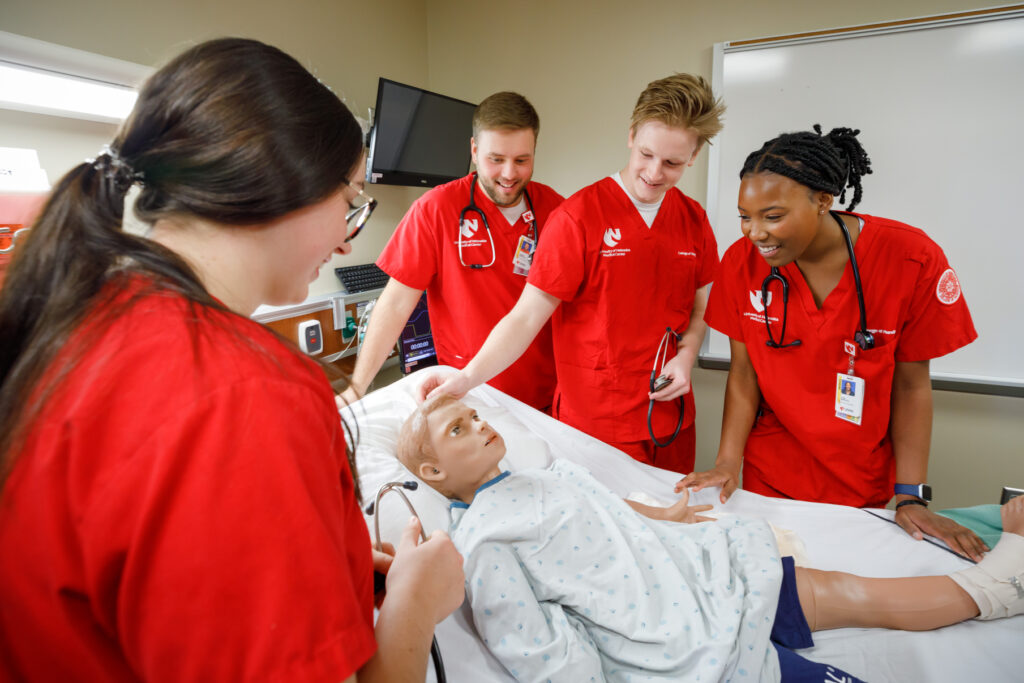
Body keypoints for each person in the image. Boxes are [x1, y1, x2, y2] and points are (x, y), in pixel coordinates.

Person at [0, 38, 464, 682]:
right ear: (286, 184)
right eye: (350, 200)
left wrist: (329, 568)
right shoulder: (245, 401)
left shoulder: (77, 321)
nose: (345, 234)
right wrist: (414, 610)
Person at [398, 394, 1024, 682]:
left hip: (710, 571)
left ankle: (998, 587)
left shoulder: (539, 474)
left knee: (856, 594)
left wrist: (660, 520)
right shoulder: (485, 546)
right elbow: (542, 655)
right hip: (678, 641)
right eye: (459, 429)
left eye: (475, 414)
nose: (480, 424)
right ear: (431, 474)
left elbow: (604, 511)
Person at [679, 125, 987, 560]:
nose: (755, 233)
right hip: (773, 473)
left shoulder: (910, 258)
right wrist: (728, 463)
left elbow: (912, 385)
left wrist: (911, 496)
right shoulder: (740, 264)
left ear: (823, 201)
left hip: (861, 477)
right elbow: (744, 375)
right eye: (745, 216)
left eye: (773, 216)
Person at [421, 74, 725, 474]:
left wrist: (687, 356)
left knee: (672, 523)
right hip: (598, 421)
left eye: (672, 163)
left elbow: (701, 308)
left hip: (670, 416)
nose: (654, 173)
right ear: (631, 136)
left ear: (694, 156)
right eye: (647, 155)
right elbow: (527, 315)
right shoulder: (577, 218)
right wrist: (467, 379)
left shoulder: (693, 219)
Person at [342, 92, 564, 412]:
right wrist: (355, 388)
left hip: (546, 393)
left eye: (521, 160)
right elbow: (395, 303)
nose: (509, 174)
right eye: (496, 159)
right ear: (474, 150)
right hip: (470, 394)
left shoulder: (557, 210)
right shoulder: (435, 210)